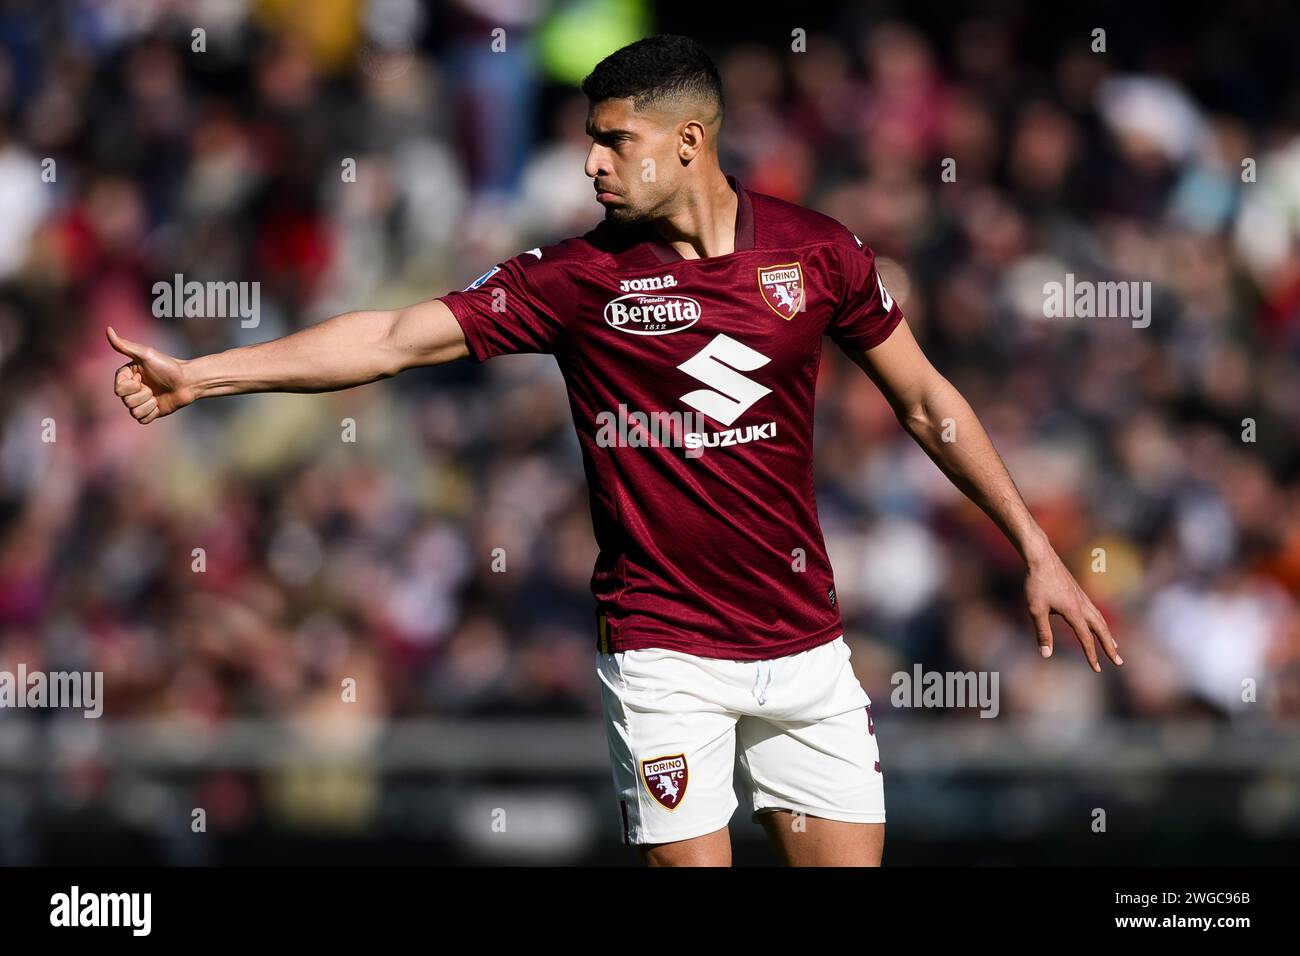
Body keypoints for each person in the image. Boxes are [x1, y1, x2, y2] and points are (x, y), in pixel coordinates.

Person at [108, 34, 1121, 867]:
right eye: (586, 140)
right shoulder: (576, 276)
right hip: (662, 649)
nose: (590, 161)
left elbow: (928, 401)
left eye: (610, 139)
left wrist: (1032, 543)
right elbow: (389, 337)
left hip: (804, 647)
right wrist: (205, 375)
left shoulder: (818, 253)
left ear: (687, 141)